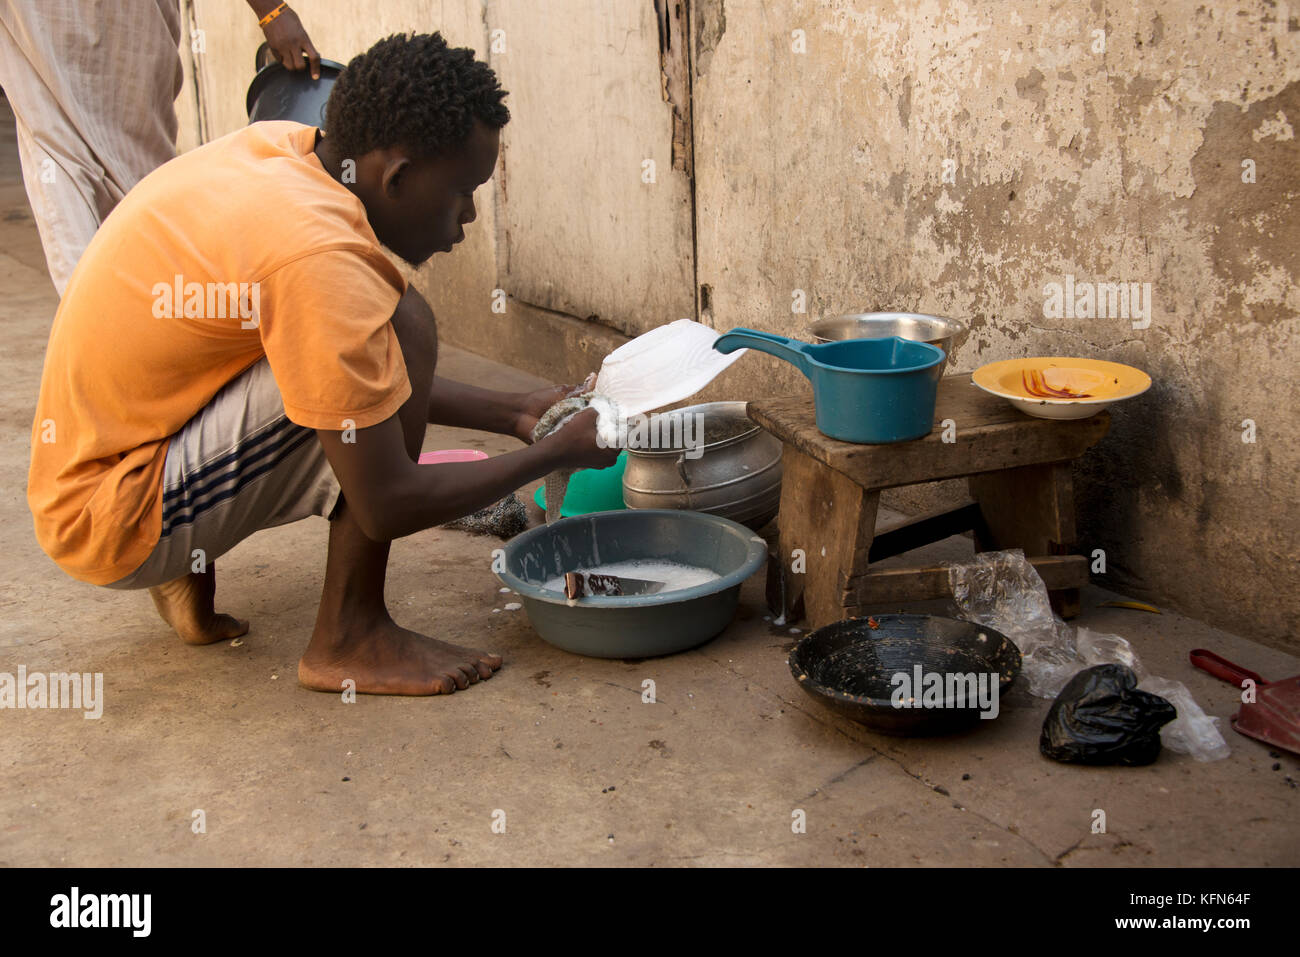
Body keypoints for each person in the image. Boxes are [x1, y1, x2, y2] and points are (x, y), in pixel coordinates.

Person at [27, 32, 619, 695]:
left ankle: (184, 557)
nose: (469, 218)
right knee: (407, 326)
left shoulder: (288, 152)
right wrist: (556, 450)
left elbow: (348, 371)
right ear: (395, 178)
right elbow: (389, 501)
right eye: (463, 194)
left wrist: (516, 408)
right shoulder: (319, 256)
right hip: (104, 513)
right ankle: (350, 635)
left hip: (130, 446)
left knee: (379, 337)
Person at [0, 0, 320, 295]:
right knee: (58, 162)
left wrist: (271, 11)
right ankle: (97, 332)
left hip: (130, 33)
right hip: (39, 23)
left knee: (142, 187)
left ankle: (143, 322)